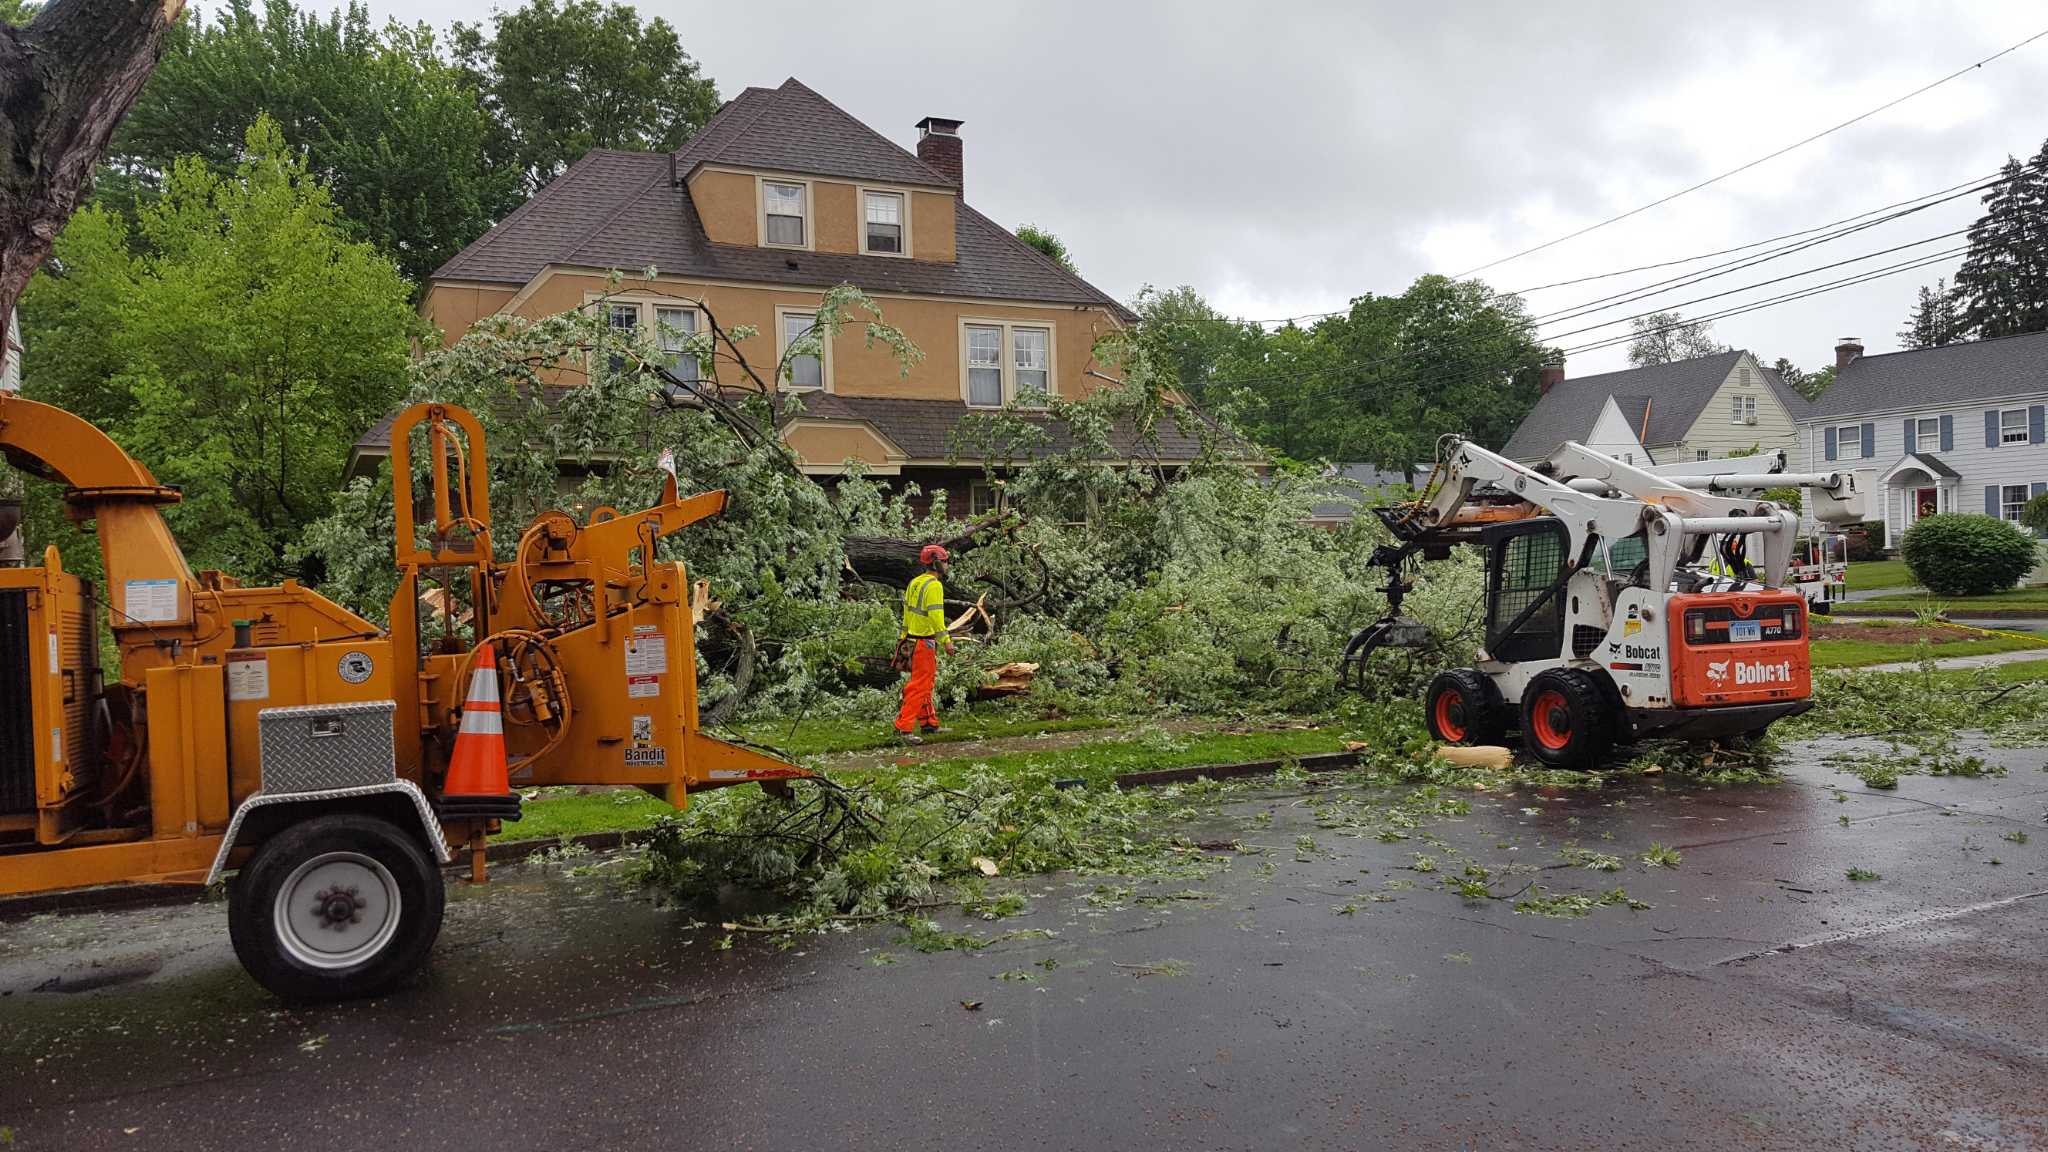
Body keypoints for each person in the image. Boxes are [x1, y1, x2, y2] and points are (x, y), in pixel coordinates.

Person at [895, 544, 953, 743]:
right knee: (919, 686)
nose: (947, 565)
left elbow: (906, 613)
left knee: (925, 683)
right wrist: (946, 640)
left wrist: (902, 638)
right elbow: (937, 616)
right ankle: (904, 729)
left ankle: (929, 723)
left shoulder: (914, 583)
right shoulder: (934, 586)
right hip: (924, 643)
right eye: (945, 561)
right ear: (937, 563)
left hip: (911, 640)